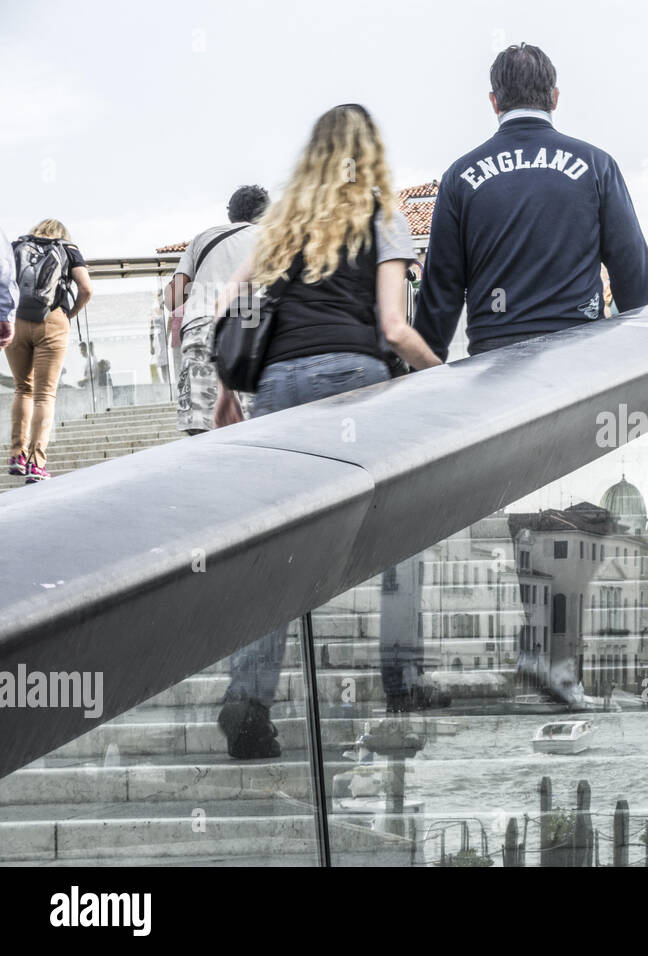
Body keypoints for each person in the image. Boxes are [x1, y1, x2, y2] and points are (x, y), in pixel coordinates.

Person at [210, 103, 441, 759]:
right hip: (359, 385)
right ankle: (402, 680)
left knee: (277, 554)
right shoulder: (380, 215)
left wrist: (228, 392)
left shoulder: (280, 224)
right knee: (403, 533)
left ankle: (248, 701)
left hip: (280, 387)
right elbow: (395, 327)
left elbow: (232, 309)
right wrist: (441, 372)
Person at [413, 43, 648, 361]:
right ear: (555, 97)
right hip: (579, 352)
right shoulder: (597, 166)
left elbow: (441, 291)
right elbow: (635, 276)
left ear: (494, 102)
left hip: (493, 358)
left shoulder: (459, 177)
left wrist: (421, 364)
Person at [164, 185, 269, 433]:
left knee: (200, 425)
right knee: (252, 425)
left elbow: (172, 299)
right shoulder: (268, 237)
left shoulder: (203, 238)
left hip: (200, 326)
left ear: (230, 212)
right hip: (247, 328)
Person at [7, 219, 92, 483]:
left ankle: (16, 456)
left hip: (17, 320)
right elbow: (87, 288)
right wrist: (69, 314)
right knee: (44, 395)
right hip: (52, 320)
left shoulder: (16, 247)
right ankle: (37, 463)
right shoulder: (68, 248)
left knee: (23, 388)